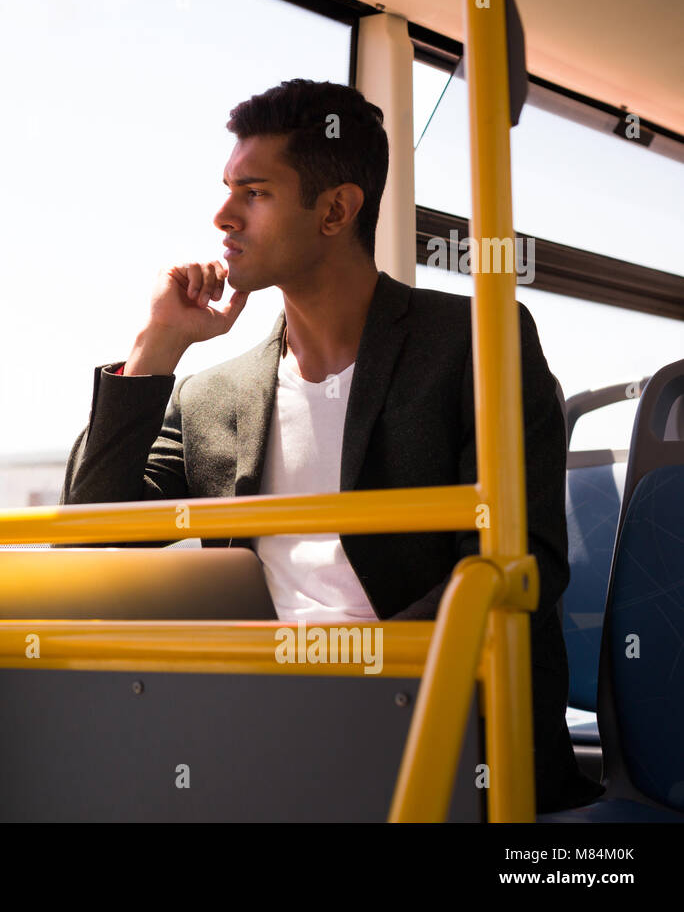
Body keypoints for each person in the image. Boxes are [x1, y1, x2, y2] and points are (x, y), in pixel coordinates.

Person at [58, 78, 604, 814]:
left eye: (254, 193)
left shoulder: (472, 344)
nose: (223, 215)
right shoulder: (213, 397)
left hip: (444, 722)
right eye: (227, 190)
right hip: (270, 730)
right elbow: (91, 543)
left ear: (337, 210)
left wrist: (347, 683)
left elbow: (521, 561)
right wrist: (154, 351)